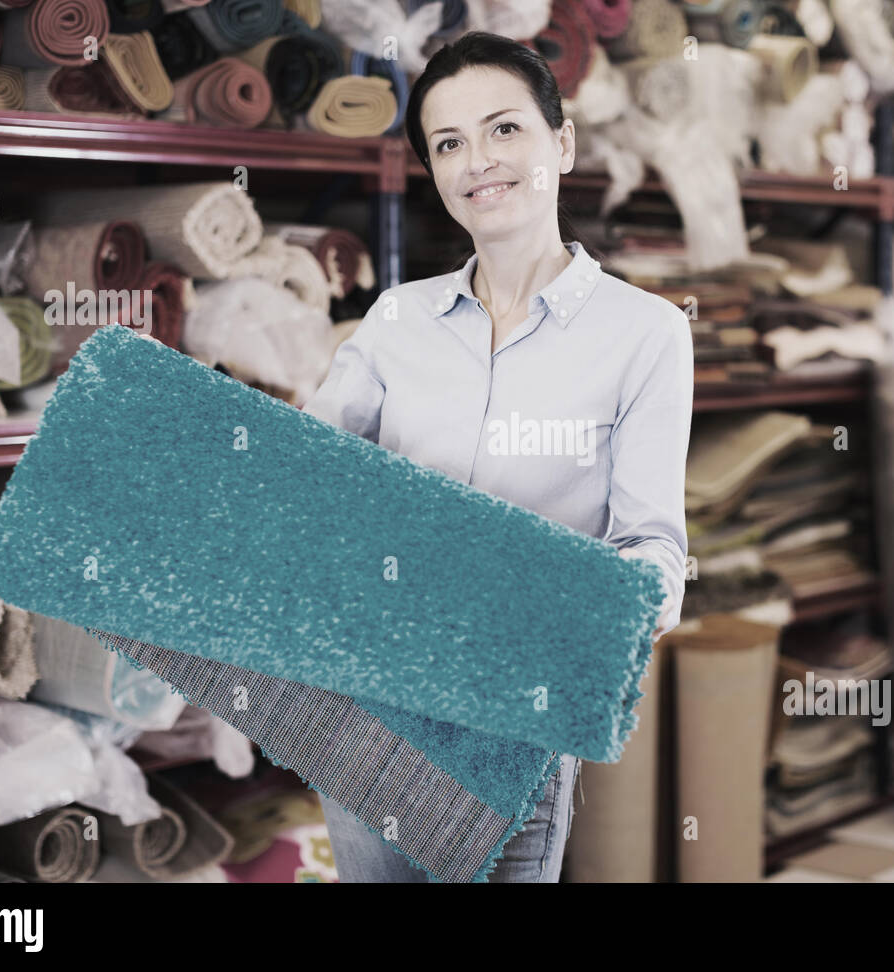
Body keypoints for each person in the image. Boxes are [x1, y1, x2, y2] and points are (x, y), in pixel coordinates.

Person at [301, 31, 693, 883]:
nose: (479, 160)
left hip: (514, 722)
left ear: (563, 141)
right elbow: (307, 484)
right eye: (448, 144)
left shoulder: (646, 334)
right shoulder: (396, 322)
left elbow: (654, 548)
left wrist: (602, 611)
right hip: (368, 705)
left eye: (504, 128)